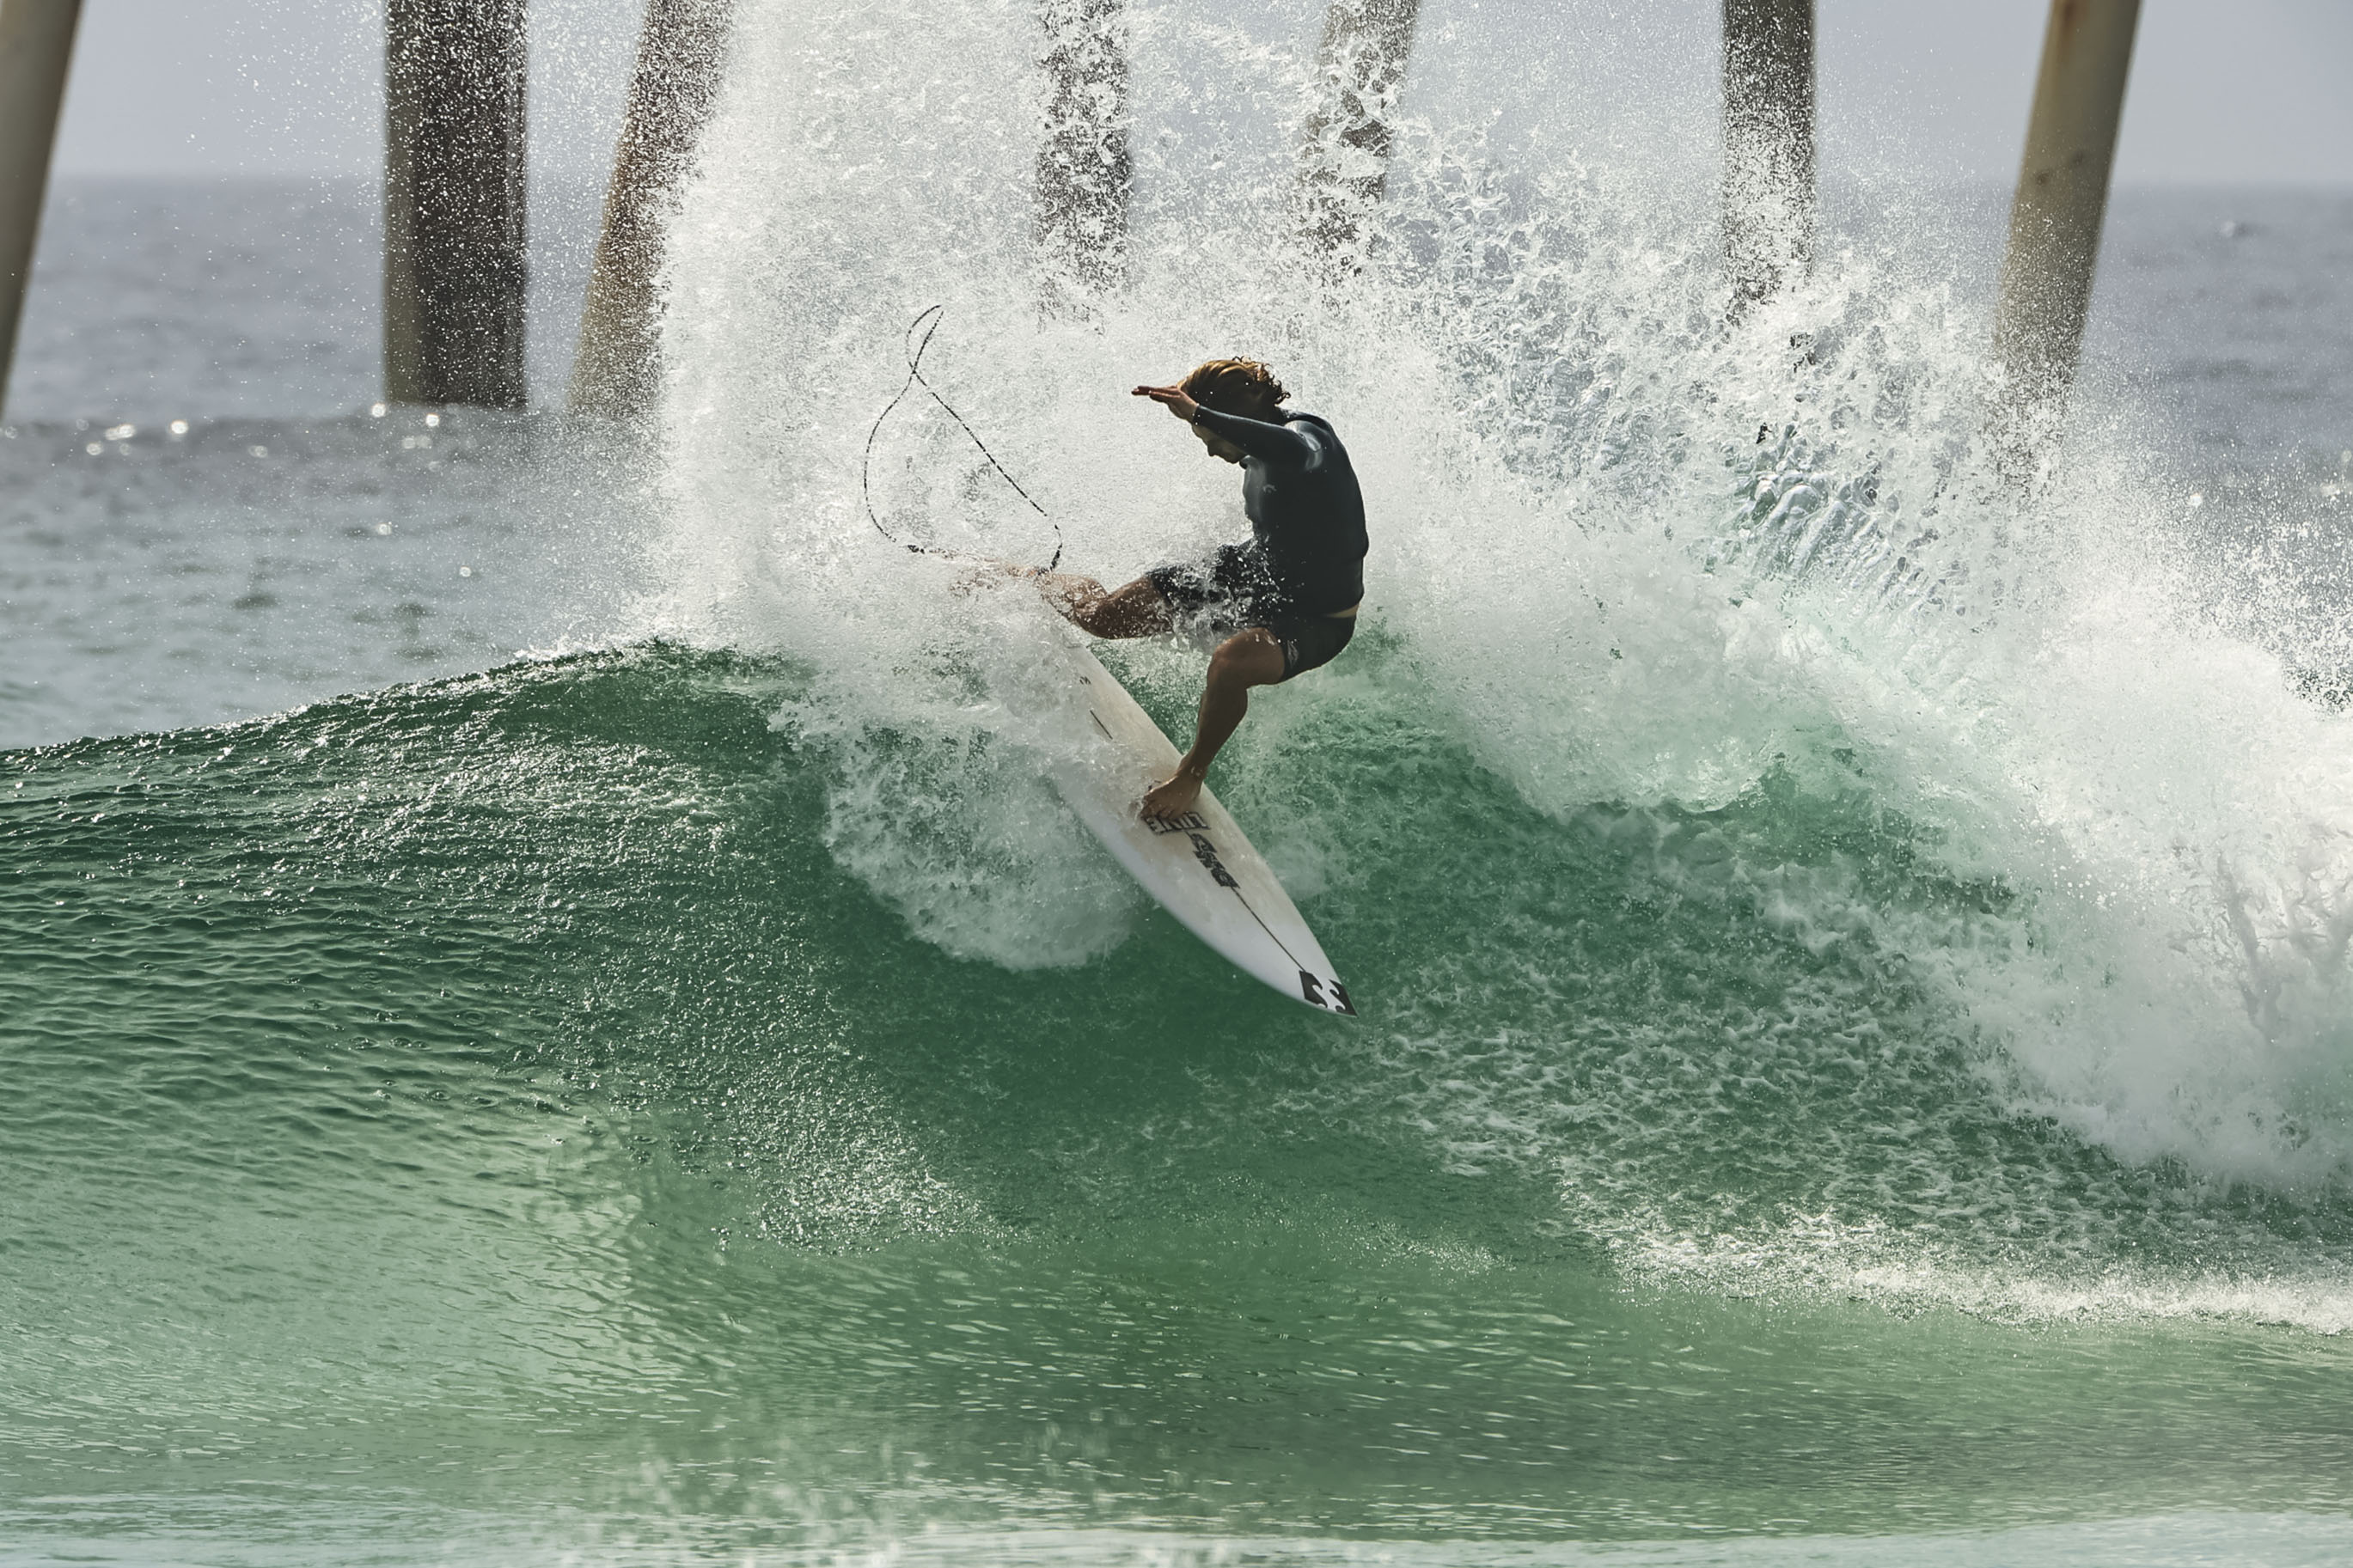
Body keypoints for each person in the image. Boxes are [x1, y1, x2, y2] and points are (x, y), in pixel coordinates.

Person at [1029, 358, 1368, 821]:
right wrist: (1203, 419)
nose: (1210, 452)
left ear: (1238, 423)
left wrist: (1199, 415)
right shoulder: (1257, 450)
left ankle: (1191, 774)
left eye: (1211, 441)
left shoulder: (1310, 440)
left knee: (1231, 663)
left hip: (1315, 620)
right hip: (1252, 572)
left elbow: (1293, 450)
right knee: (1103, 617)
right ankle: (1028, 581)